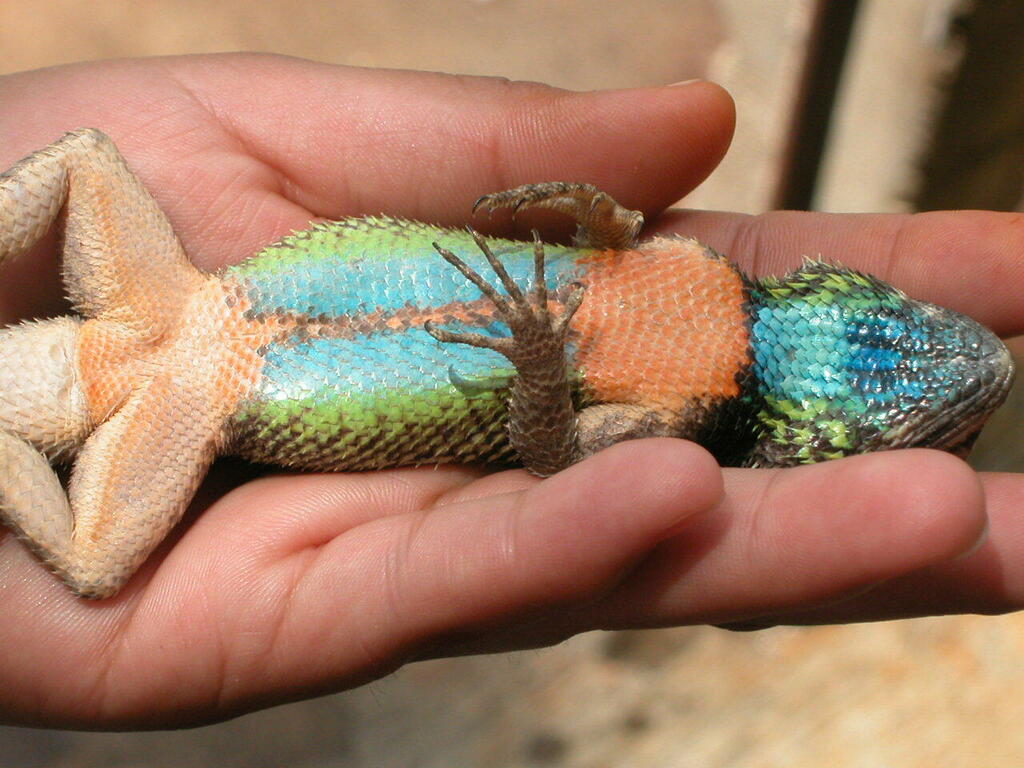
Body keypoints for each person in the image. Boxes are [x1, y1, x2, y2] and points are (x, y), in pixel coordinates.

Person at [0, 53, 1017, 729]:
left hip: (205, 395)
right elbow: (612, 275)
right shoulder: (698, 273)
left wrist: (540, 368)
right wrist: (602, 224)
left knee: (98, 568)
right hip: (188, 307)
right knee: (86, 153)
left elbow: (556, 460)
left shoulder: (679, 418)